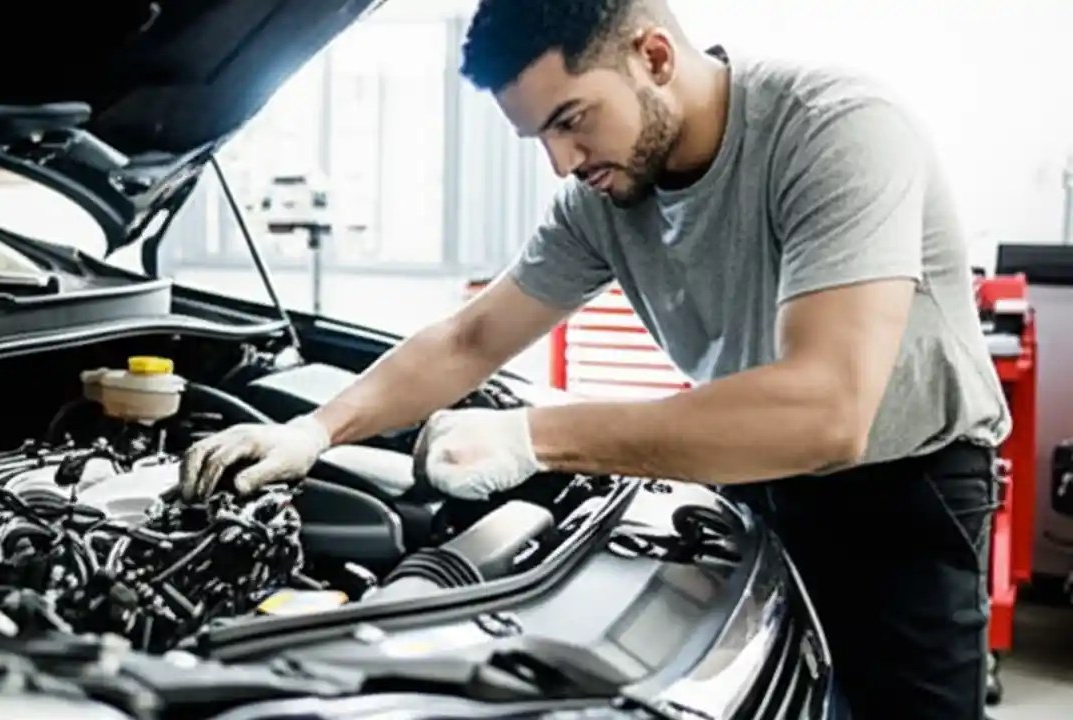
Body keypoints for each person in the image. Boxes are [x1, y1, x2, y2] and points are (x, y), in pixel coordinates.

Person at [179, 1, 1011, 717]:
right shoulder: (602, 198)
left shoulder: (834, 130)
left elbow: (828, 413)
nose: (563, 163)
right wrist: (318, 430)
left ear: (653, 55)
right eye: (538, 136)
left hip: (901, 492)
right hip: (750, 471)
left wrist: (534, 437)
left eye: (572, 119)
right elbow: (471, 338)